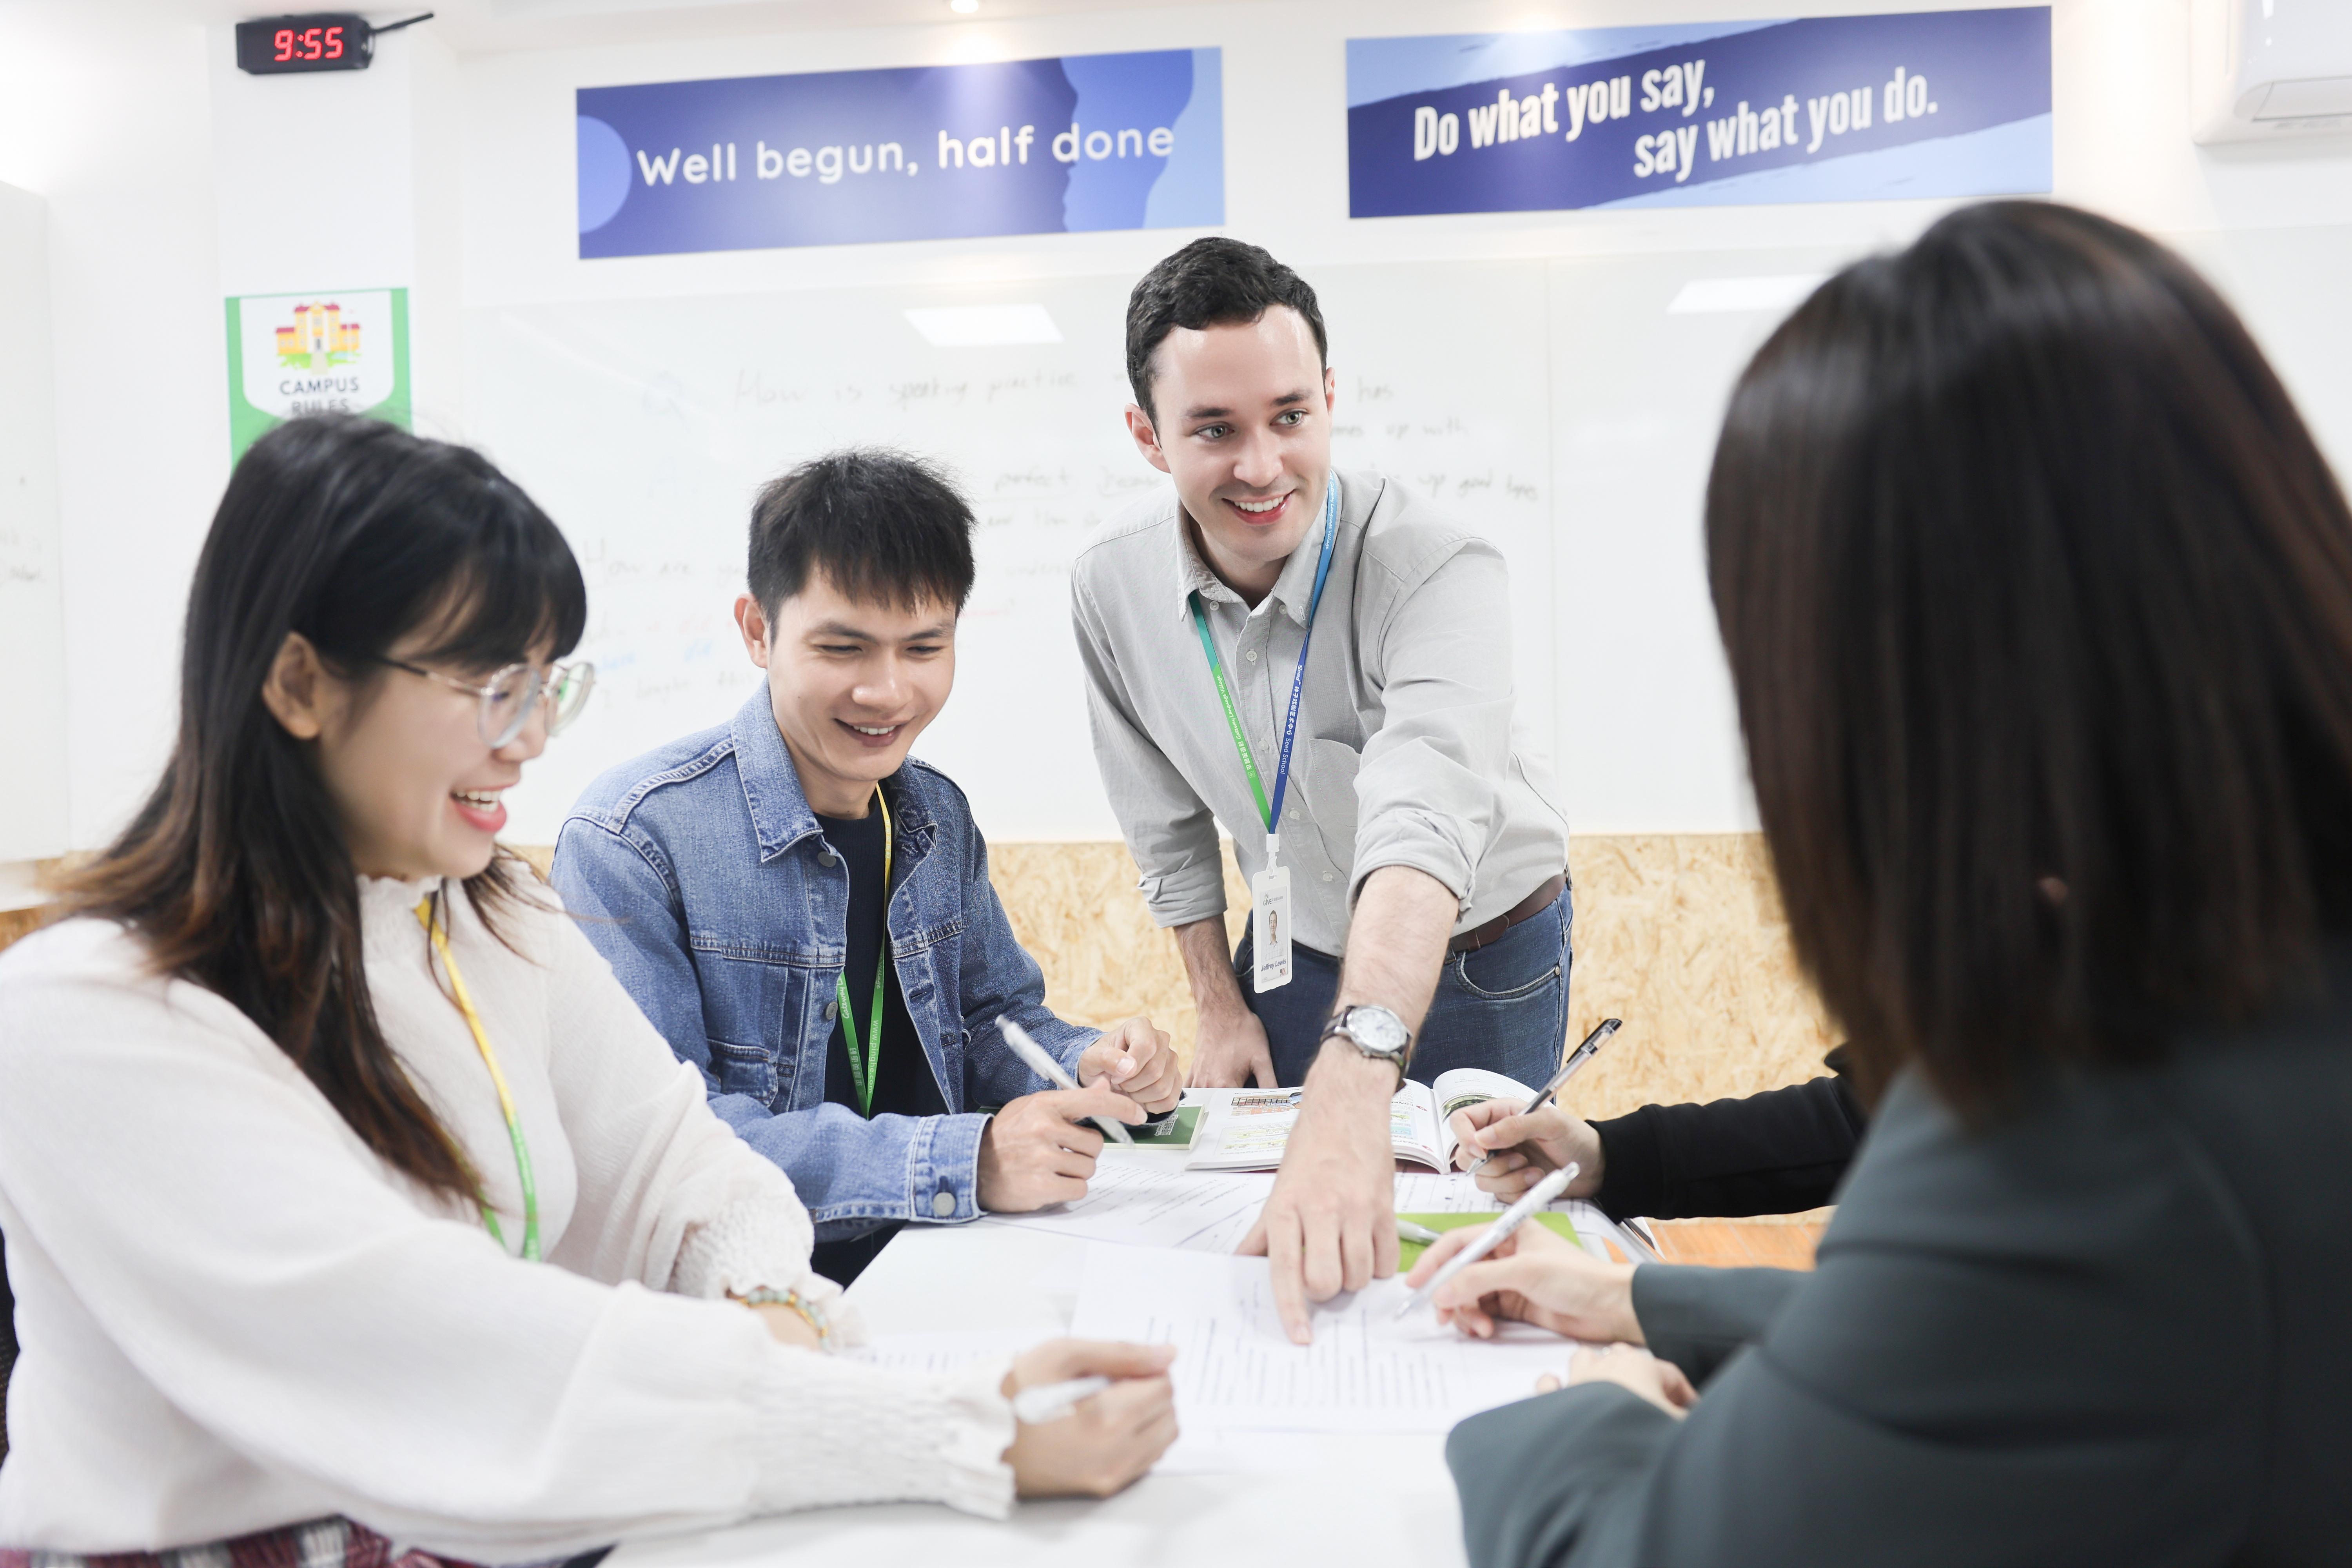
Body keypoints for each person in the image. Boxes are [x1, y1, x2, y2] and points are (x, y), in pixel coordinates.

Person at [0, 417, 1175, 1558]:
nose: (527, 742)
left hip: (550, 1508)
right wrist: (951, 1431)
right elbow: (439, 1356)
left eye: (547, 685)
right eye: (486, 685)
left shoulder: (492, 917)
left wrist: (778, 1305)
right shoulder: (92, 1014)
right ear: (300, 683)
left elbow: (686, 1170)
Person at [1434, 202, 2352, 1565]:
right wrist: (1648, 1293)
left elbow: (1644, 1545)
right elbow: (2031, 1321)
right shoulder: (2246, 943)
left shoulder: (2095, 1105)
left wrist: (1576, 1412)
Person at [1073, 238, 1573, 1339]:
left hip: (1486, 938)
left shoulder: (1439, 567)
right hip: (1296, 931)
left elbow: (1424, 813)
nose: (1262, 466)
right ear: (1148, 439)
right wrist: (1215, 1000)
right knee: (1266, 1194)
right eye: (1215, 430)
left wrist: (1357, 1078)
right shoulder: (1110, 584)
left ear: (1332, 399)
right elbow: (1159, 814)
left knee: (1467, 1215)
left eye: (1291, 417)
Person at [554, 450, 1180, 1285]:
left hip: (948, 1258)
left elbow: (994, 1016)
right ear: (757, 630)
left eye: (924, 647)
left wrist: (1087, 1058)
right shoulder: (632, 839)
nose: (888, 692)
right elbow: (666, 1141)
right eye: (843, 648)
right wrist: (967, 1155)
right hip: (760, 1291)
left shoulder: (932, 814)